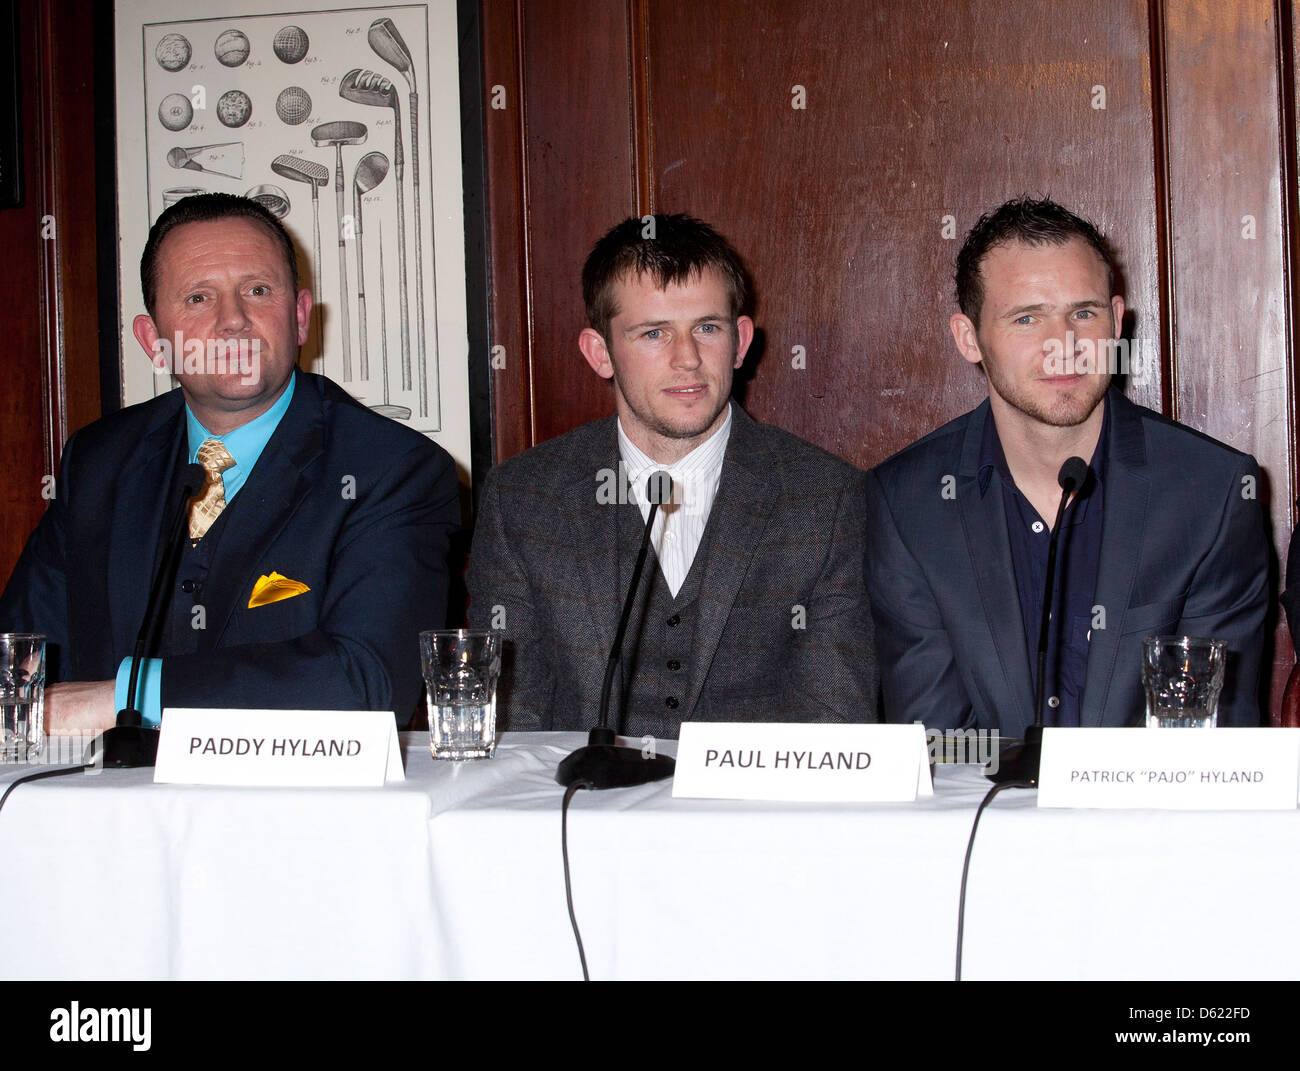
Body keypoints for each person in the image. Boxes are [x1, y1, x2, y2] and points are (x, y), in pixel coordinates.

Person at [0, 192, 459, 733]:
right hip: (109, 804)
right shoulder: (100, 461)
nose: (234, 321)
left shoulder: (393, 468)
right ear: (155, 342)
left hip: (295, 809)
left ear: (300, 316)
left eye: (258, 291)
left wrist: (129, 695)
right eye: (198, 298)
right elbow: (20, 661)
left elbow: (366, 682)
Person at [866, 197, 1269, 734]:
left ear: (1117, 321)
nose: (1065, 346)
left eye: (1084, 313)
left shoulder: (1212, 494)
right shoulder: (907, 503)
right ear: (969, 339)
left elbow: (1212, 749)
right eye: (1027, 318)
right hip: (979, 815)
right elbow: (937, 749)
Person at [467, 213, 875, 735]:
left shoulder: (826, 498)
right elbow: (512, 731)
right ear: (600, 353)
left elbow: (833, 729)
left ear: (741, 341)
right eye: (654, 333)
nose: (687, 359)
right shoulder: (523, 498)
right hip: (585, 810)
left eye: (707, 328)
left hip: (754, 814)